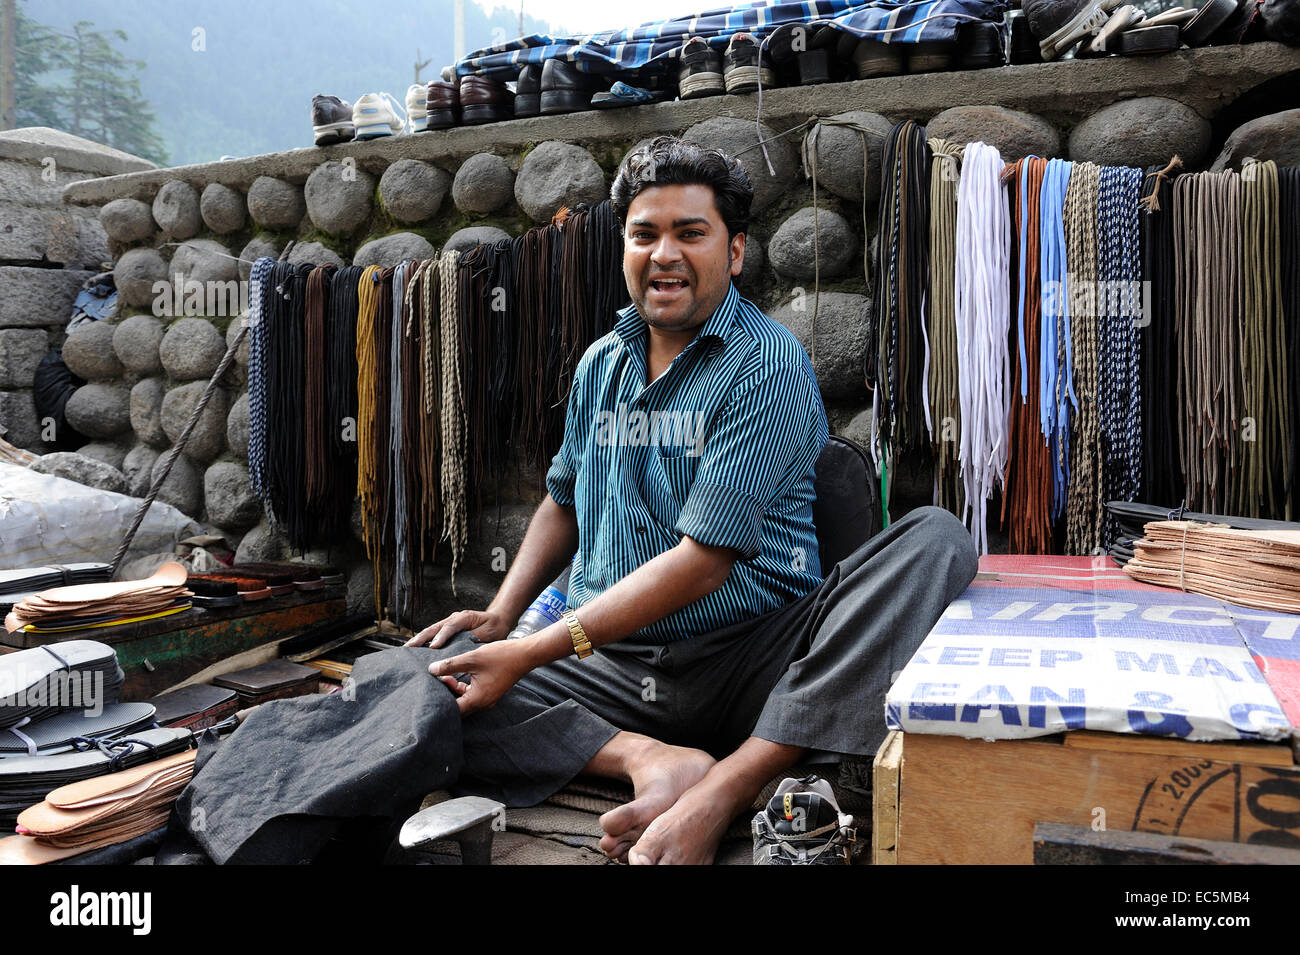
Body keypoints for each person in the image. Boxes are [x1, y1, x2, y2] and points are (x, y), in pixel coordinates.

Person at [406, 136, 978, 865]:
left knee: (934, 539)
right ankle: (651, 760)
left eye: (690, 233)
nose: (664, 253)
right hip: (610, 666)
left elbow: (704, 563)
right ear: (624, 249)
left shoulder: (765, 363)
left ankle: (731, 784)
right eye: (645, 234)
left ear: (734, 252)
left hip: (751, 661)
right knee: (424, 684)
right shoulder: (599, 364)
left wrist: (533, 650)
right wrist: (503, 618)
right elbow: (563, 500)